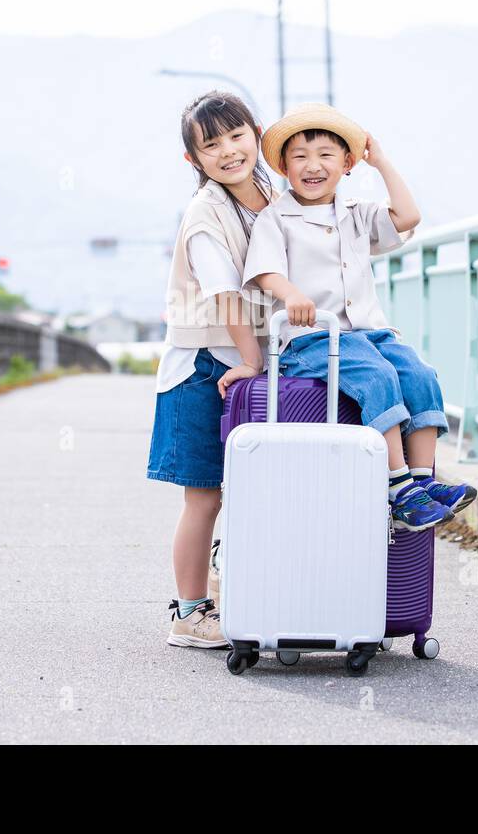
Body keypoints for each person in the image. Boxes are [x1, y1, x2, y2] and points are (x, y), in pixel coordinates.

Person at [241, 102, 476, 531]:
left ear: (347, 164)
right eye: (300, 157)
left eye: (326, 155)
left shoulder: (357, 212)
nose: (313, 166)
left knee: (419, 374)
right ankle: (399, 487)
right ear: (283, 168)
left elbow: (408, 216)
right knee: (377, 376)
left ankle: (424, 481)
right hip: (313, 340)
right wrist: (291, 293)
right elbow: (265, 271)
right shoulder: (276, 220)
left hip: (370, 333)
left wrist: (381, 162)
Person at [146, 90, 274, 648]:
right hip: (202, 366)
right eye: (210, 144)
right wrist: (252, 359)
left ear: (258, 133)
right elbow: (226, 295)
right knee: (204, 496)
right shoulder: (206, 215)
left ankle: (226, 586)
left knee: (253, 488)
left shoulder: (273, 197)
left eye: (236, 134)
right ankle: (189, 612)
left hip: (249, 364)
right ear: (193, 161)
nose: (228, 150)